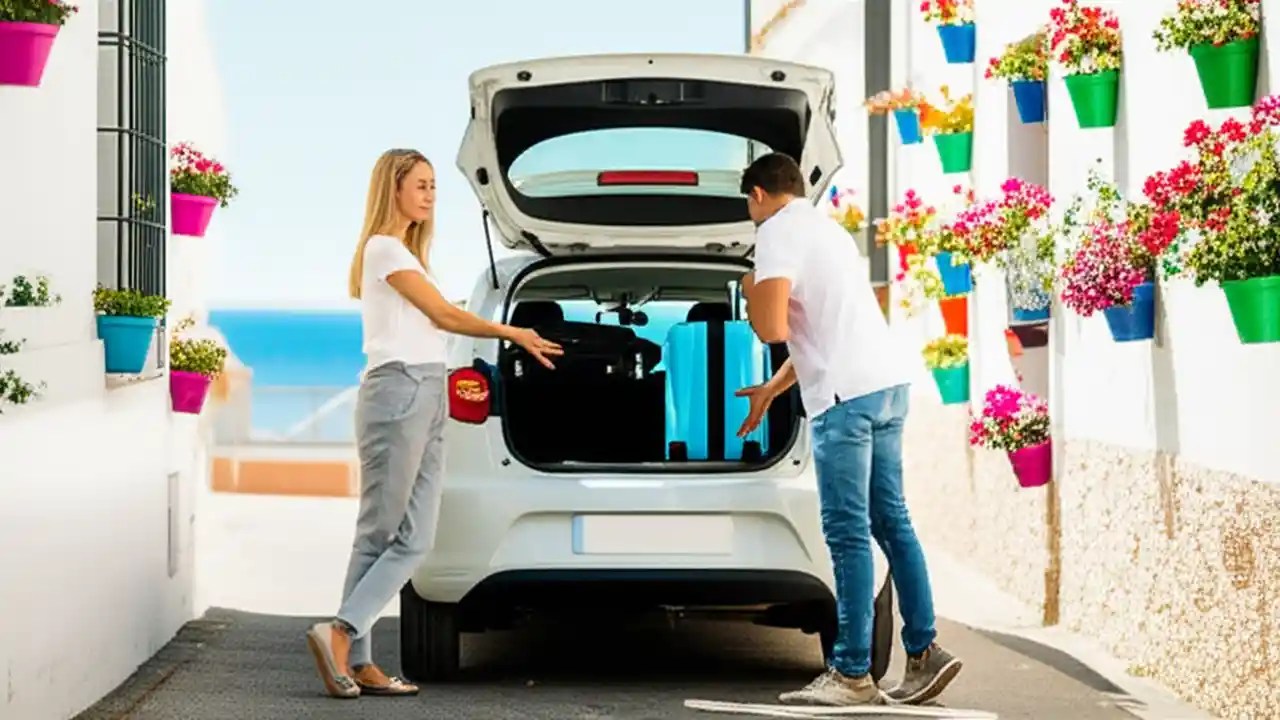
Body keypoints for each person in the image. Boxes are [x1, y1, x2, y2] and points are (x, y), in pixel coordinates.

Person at [305, 149, 563, 699]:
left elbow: (441, 316)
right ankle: (348, 642)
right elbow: (445, 316)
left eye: (433, 187)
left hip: (426, 389)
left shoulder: (407, 256)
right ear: (392, 188)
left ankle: (350, 647)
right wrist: (514, 334)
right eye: (419, 185)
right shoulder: (382, 248)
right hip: (398, 389)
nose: (429, 194)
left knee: (415, 538)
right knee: (379, 533)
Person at [734, 153, 962, 707]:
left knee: (848, 532)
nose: (750, 212)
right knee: (893, 522)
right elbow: (824, 329)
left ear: (760, 194)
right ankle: (924, 651)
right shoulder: (829, 232)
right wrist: (773, 389)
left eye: (748, 203)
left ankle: (852, 673)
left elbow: (768, 327)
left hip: (845, 403)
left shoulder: (774, 233)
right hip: (886, 387)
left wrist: (748, 284)